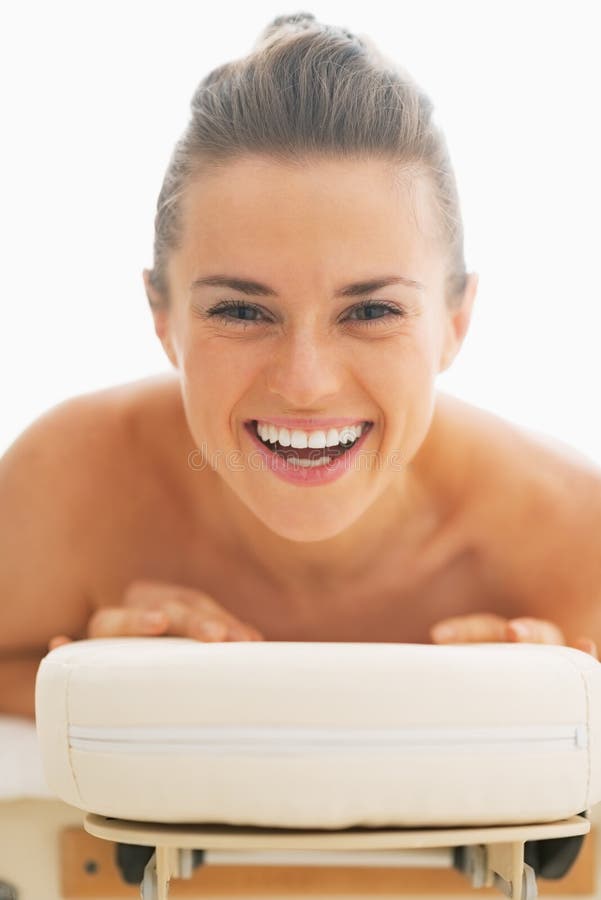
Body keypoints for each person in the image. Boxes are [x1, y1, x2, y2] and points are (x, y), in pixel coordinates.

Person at [1, 12, 600, 721]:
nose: (304, 383)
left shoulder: (575, 540)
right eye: (242, 312)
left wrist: (565, 716)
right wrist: (89, 678)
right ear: (162, 318)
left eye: (371, 311)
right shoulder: (70, 483)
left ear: (455, 322)